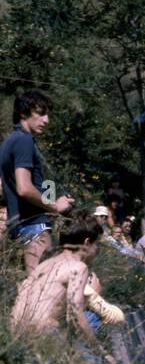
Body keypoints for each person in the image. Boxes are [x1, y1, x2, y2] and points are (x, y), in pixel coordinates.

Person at [10, 214, 119, 364]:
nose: (97, 251)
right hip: (45, 337)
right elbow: (74, 314)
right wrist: (102, 353)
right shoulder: (78, 267)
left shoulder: (44, 264)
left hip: (18, 336)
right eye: (97, 245)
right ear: (87, 242)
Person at [1, 90, 75, 274]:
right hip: (35, 226)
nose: (46, 120)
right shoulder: (24, 141)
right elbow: (24, 188)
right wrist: (55, 206)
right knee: (41, 288)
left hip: (19, 225)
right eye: (41, 113)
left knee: (31, 287)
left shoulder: (9, 142)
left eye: (47, 114)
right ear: (23, 113)